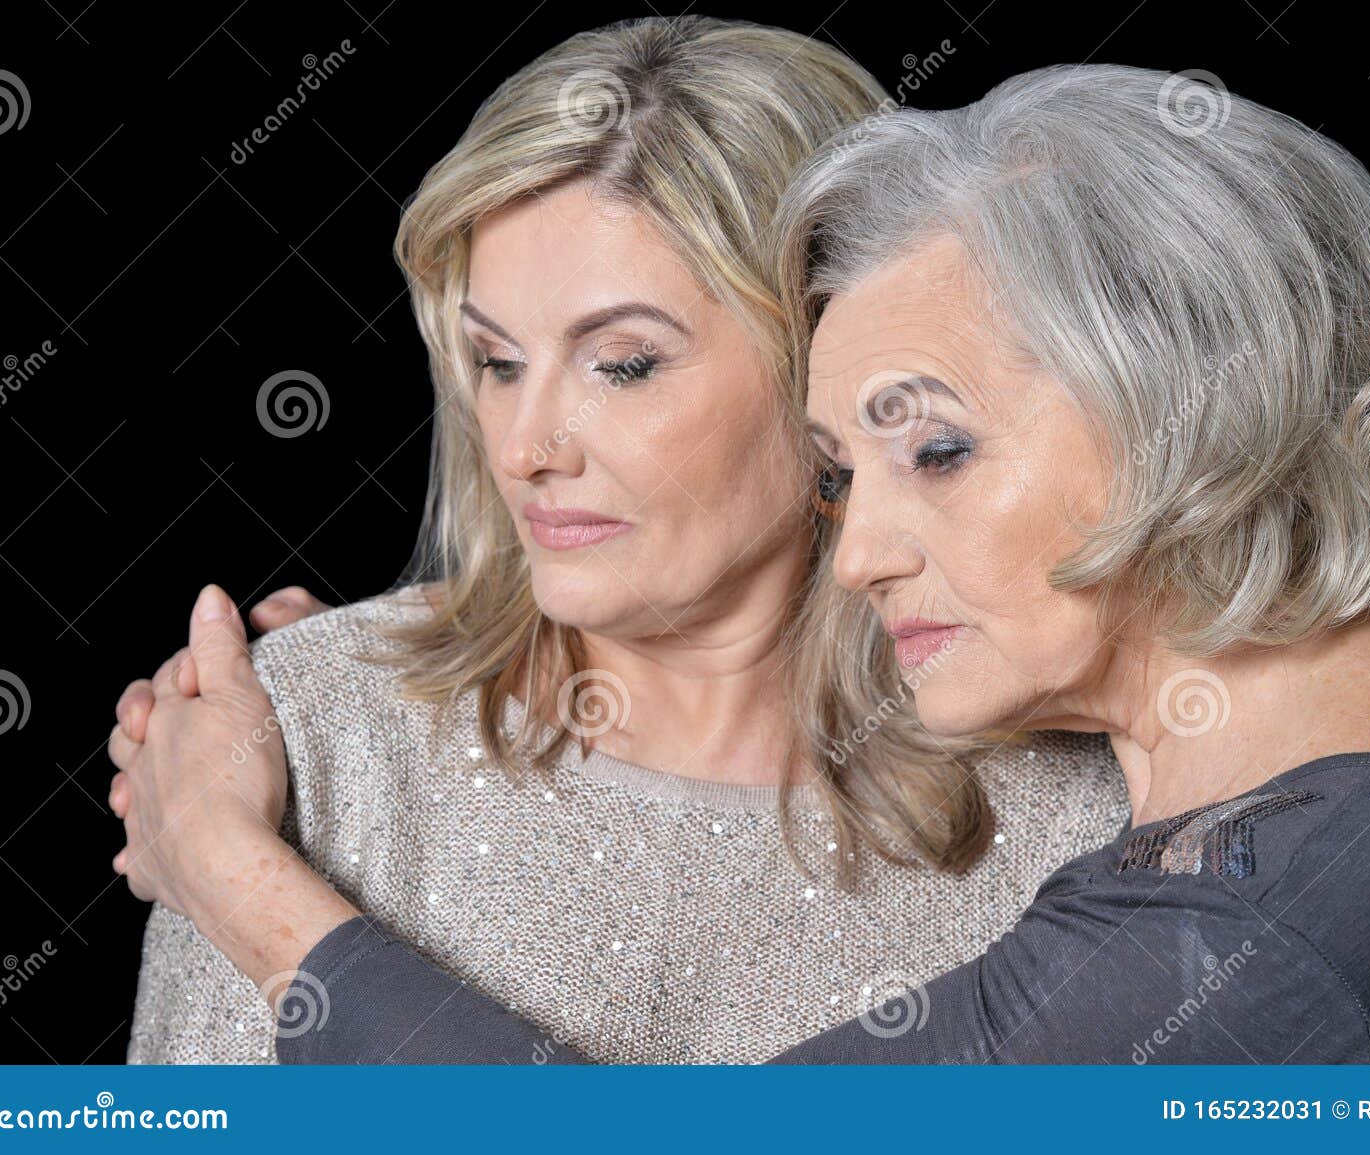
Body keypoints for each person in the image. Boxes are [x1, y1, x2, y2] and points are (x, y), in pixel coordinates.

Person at [113, 62, 1370, 1064]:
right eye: (490, 360)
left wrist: (237, 873)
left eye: (936, 448)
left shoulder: (1215, 932)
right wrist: (349, 705)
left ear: (1188, 418)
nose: (858, 545)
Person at [112, 22, 1130, 1065]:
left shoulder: (1072, 803)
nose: (522, 447)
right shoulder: (309, 737)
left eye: (623, 365)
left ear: (827, 349)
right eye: (497, 363)